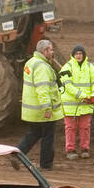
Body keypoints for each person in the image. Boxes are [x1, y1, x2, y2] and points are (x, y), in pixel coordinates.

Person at [18, 39, 61, 171]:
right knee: (48, 136)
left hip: (32, 109)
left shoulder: (31, 63)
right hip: (43, 109)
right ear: (45, 51)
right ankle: (46, 164)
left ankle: (17, 155)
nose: (52, 52)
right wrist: (47, 108)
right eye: (51, 49)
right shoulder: (42, 67)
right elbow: (43, 89)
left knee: (34, 133)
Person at [59, 45, 94, 160]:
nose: (79, 56)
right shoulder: (66, 68)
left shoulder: (90, 67)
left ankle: (84, 149)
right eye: (77, 54)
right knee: (70, 128)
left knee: (85, 127)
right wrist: (83, 96)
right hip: (71, 105)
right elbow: (68, 86)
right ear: (73, 55)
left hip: (86, 104)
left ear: (84, 55)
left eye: (80, 54)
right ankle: (70, 150)